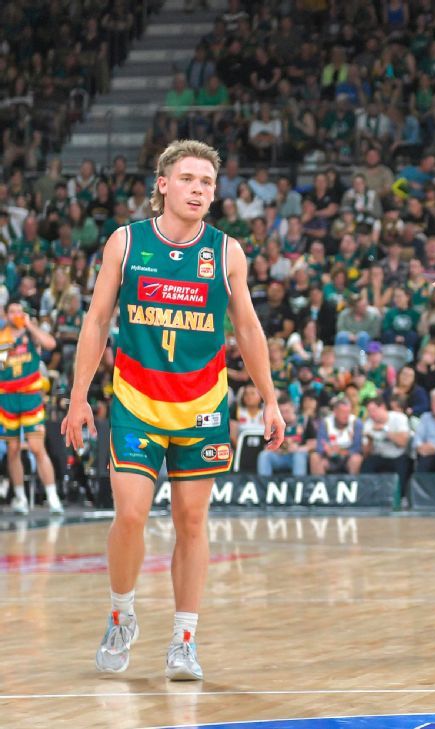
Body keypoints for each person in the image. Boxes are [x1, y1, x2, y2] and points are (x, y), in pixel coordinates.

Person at [61, 140, 285, 681]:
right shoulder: (126, 242)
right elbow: (96, 321)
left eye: (207, 182)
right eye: (187, 179)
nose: (198, 189)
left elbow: (248, 328)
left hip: (202, 406)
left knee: (191, 521)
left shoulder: (227, 252)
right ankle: (122, 615)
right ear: (162, 184)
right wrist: (77, 396)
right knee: (130, 516)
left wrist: (271, 399)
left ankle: (184, 640)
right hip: (136, 400)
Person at [0, 302, 61, 514]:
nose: (16, 314)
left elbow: (51, 343)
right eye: (12, 311)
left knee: (37, 448)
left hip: (30, 398)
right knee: (12, 450)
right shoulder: (3, 337)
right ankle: (20, 498)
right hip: (7, 398)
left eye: (19, 311)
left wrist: (30, 326)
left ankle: (53, 498)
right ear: (6, 315)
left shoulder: (32, 334)